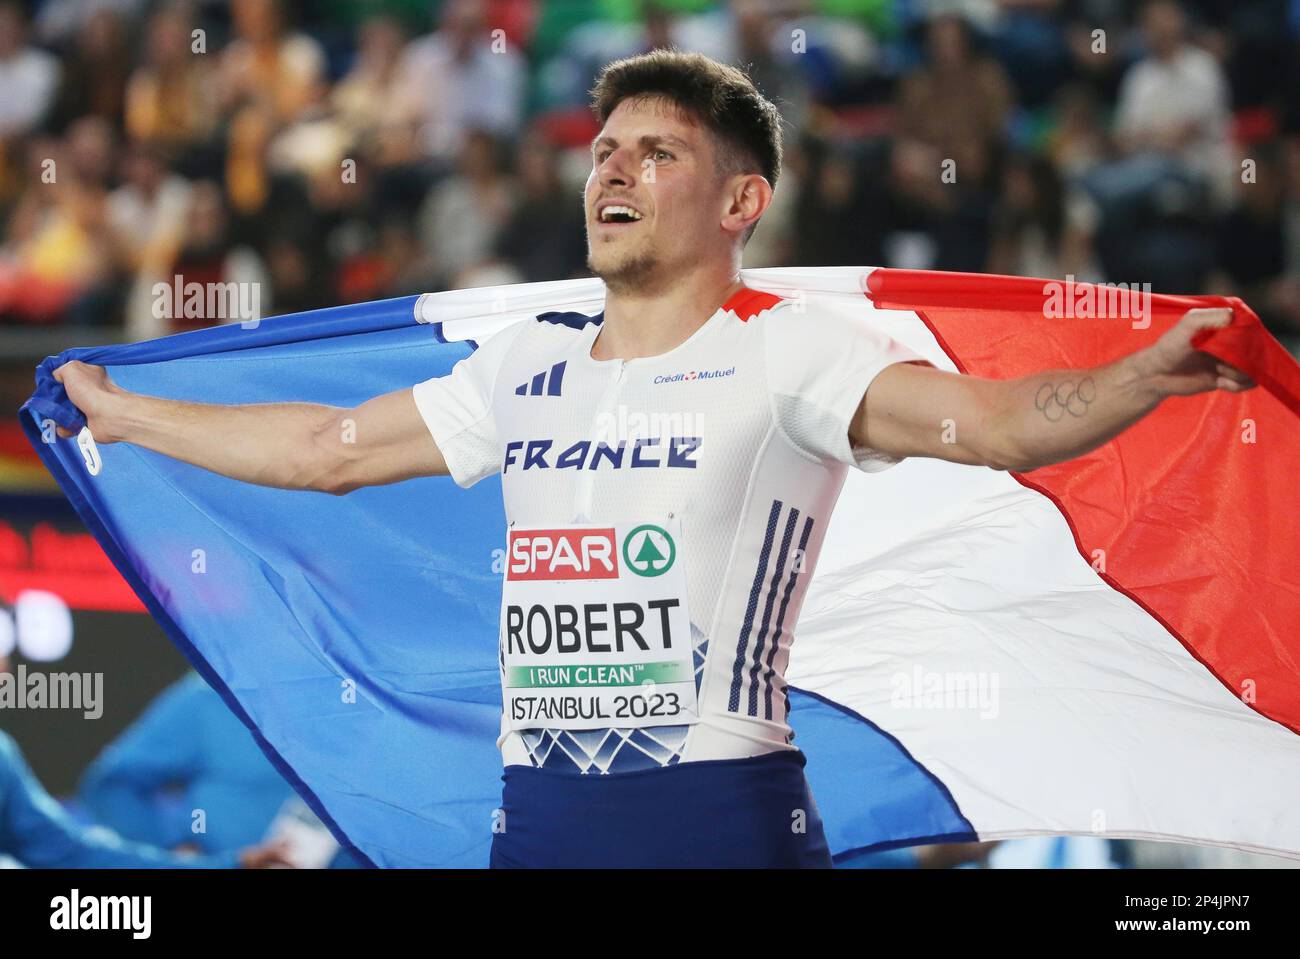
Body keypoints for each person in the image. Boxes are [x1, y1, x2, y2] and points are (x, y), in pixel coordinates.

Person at [50, 51, 1255, 869]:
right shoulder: (521, 365)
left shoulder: (791, 355)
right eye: (604, 150)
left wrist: (1134, 376)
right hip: (538, 831)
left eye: (656, 153)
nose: (611, 171)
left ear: (743, 202)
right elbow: (324, 449)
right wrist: (128, 417)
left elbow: (996, 425)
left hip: (719, 827)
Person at [0, 654, 291, 869]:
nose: (6, 666)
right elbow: (113, 787)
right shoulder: (209, 698)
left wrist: (228, 866)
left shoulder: (2, 756)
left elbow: (74, 855)